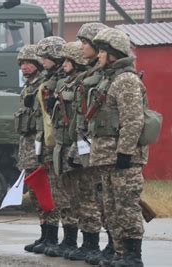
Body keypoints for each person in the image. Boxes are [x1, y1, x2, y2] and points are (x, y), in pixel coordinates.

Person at [89, 28, 148, 267]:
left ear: (113, 54)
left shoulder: (125, 80)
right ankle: (120, 253)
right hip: (106, 156)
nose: (99, 55)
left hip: (122, 157)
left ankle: (133, 256)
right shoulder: (109, 79)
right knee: (111, 208)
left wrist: (125, 151)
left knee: (126, 207)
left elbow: (133, 119)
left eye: (102, 51)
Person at [65, 22, 113, 264]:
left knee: (106, 199)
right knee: (91, 196)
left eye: (85, 43)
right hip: (87, 144)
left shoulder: (111, 77)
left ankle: (114, 246)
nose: (81, 47)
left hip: (105, 148)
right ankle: (94, 244)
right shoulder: (91, 76)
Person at [44, 41, 87, 258]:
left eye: (69, 61)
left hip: (74, 146)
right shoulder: (64, 83)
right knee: (64, 196)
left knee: (82, 197)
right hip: (61, 145)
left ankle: (87, 243)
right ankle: (69, 240)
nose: (65, 64)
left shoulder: (82, 83)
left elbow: (81, 118)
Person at [26, 36, 67, 255]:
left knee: (58, 192)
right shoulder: (49, 79)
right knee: (46, 191)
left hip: (58, 143)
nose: (41, 61)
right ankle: (47, 235)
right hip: (47, 141)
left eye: (44, 56)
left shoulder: (63, 80)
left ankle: (56, 238)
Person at [14, 44, 49, 252]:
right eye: (22, 64)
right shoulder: (27, 87)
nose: (25, 67)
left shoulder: (43, 85)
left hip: (39, 146)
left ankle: (51, 236)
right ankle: (44, 234)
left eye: (29, 63)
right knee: (35, 193)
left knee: (44, 191)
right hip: (27, 146)